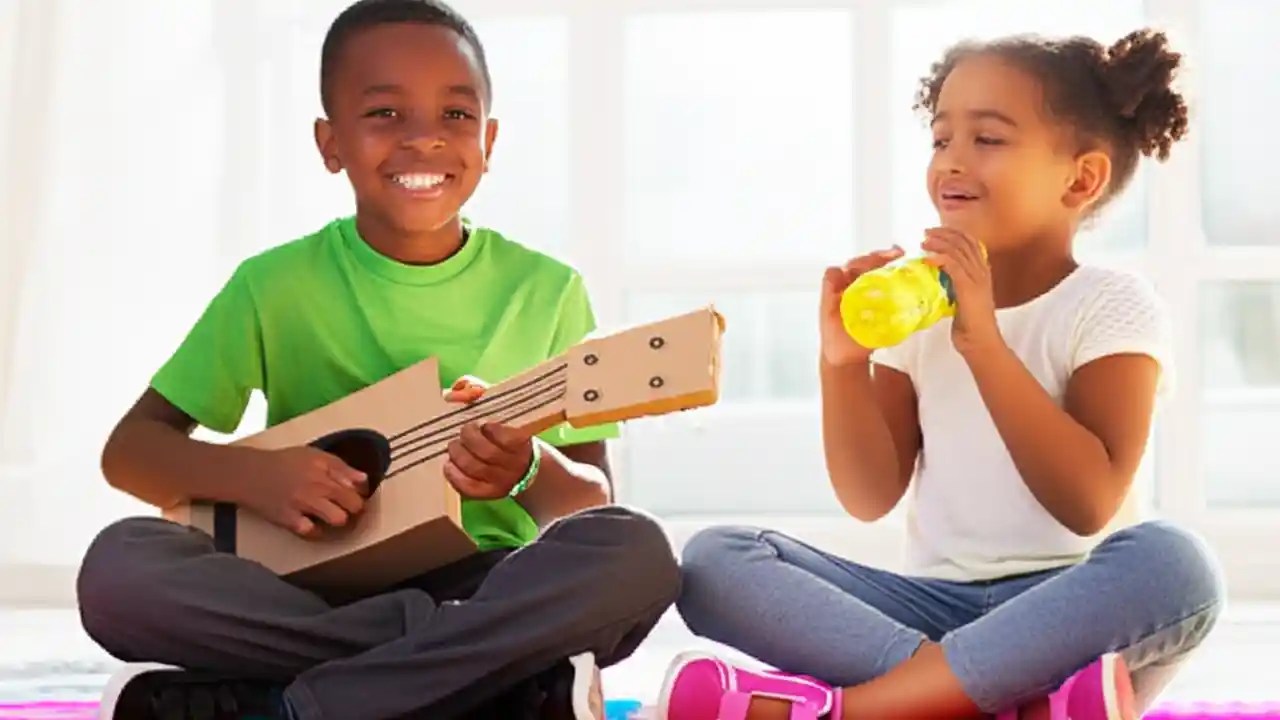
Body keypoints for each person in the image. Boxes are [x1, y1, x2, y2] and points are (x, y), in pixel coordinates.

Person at [75, 1, 680, 718]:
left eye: (455, 116)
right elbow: (131, 452)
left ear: (488, 139)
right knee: (119, 570)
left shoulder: (547, 290)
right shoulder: (274, 286)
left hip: (486, 584)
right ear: (330, 143)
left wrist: (526, 470)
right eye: (385, 114)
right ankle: (482, 679)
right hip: (302, 587)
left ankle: (295, 702)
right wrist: (259, 477)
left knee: (636, 553)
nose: (424, 139)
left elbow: (586, 507)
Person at [656, 28, 1224, 720]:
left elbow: (1088, 502)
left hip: (1068, 604)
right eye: (940, 140)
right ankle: (992, 699)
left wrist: (984, 343)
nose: (951, 162)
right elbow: (870, 494)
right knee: (715, 561)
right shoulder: (914, 309)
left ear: (1081, 178)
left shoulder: (1110, 303)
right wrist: (843, 363)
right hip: (928, 608)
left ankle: (862, 710)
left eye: (987, 140)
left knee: (1177, 565)